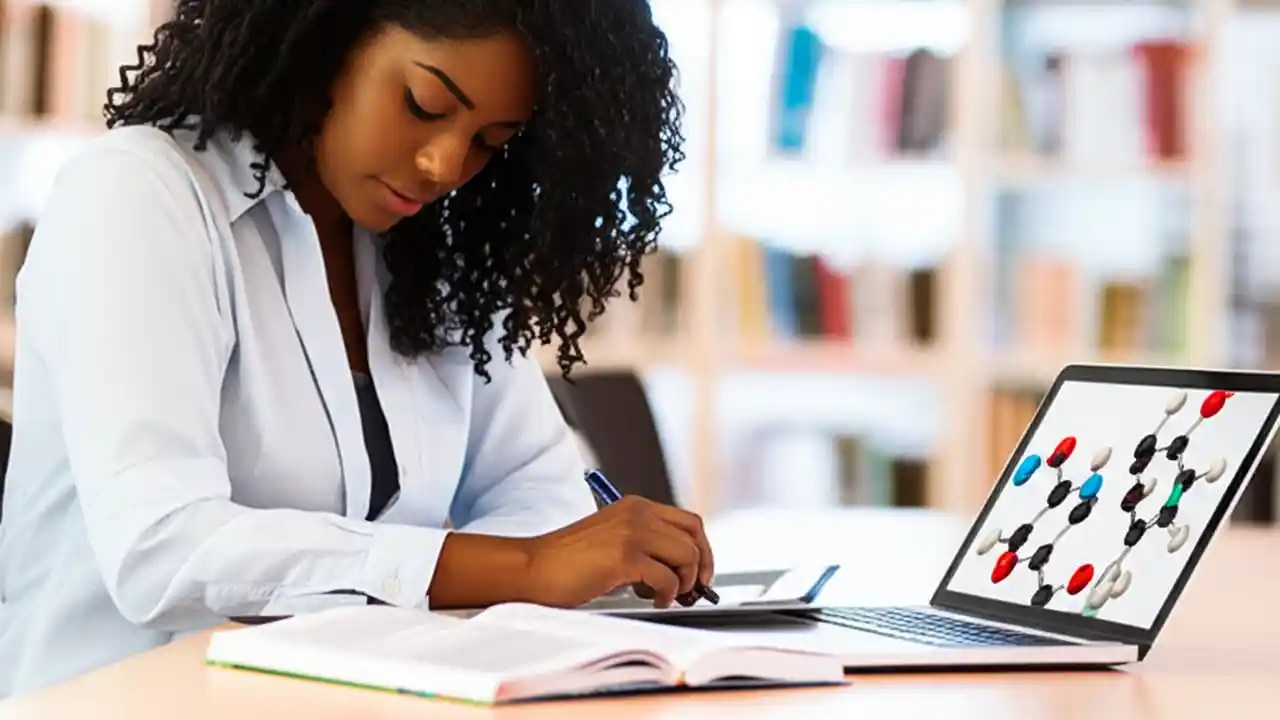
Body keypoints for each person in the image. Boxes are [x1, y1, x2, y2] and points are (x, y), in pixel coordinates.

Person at [0, 0, 713, 697]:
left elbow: (539, 494)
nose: (443, 164)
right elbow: (162, 549)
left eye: (489, 141)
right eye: (424, 105)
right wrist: (517, 565)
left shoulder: (437, 252)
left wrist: (545, 559)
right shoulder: (140, 194)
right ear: (330, 37)